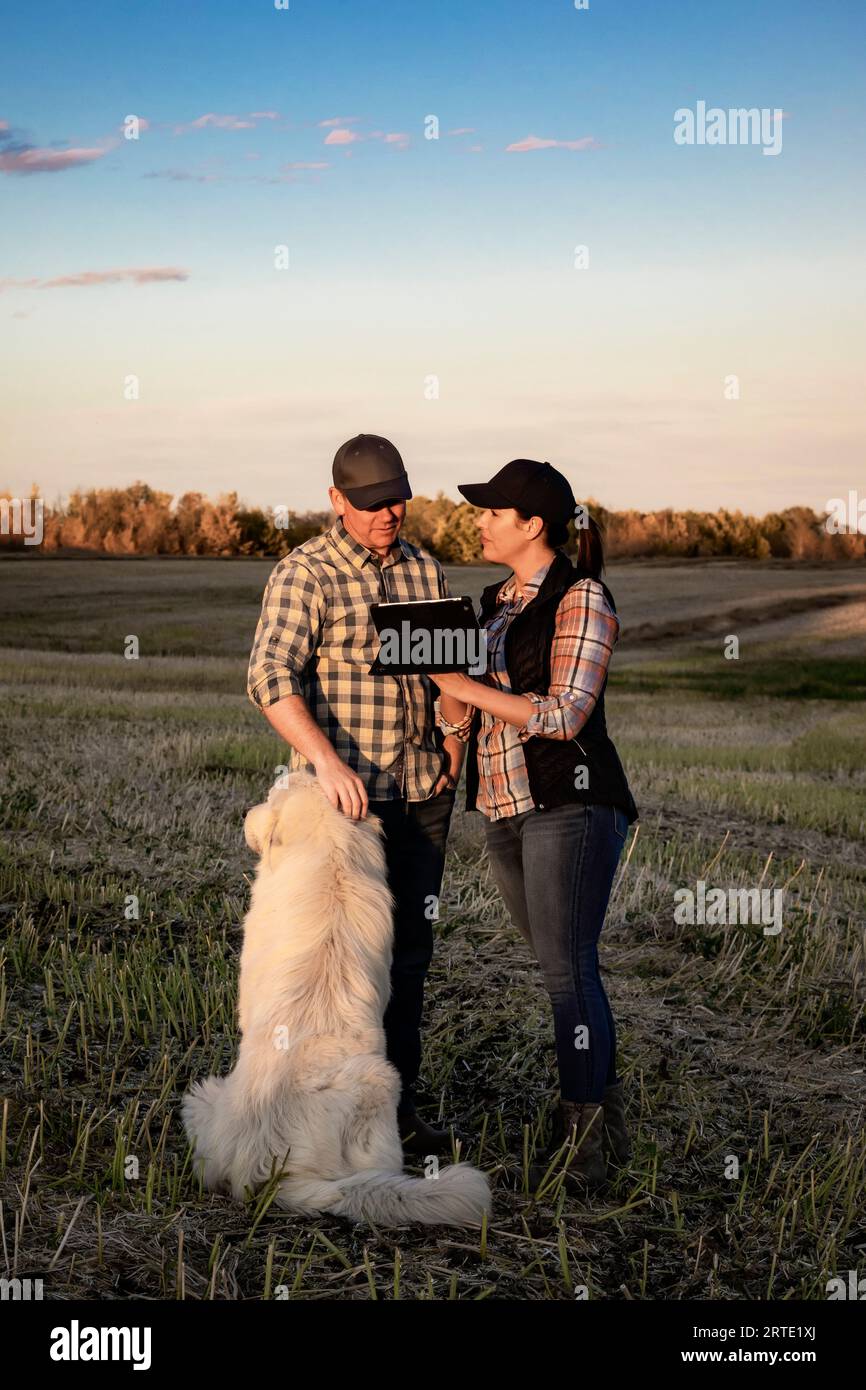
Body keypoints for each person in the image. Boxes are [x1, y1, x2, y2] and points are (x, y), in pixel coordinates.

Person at [246, 434, 466, 1155]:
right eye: (370, 503)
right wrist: (325, 764)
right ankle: (297, 1112)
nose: (387, 514)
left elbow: (446, 678)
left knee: (407, 960)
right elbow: (270, 678)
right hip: (341, 815)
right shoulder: (305, 573)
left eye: (396, 499)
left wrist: (454, 742)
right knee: (332, 967)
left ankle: (391, 1121)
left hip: (420, 799)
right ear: (336, 500)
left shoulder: (425, 569)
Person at [432, 458, 638, 1192]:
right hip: (505, 809)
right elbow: (461, 713)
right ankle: (604, 1118)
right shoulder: (489, 603)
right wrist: (444, 690)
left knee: (566, 972)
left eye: (492, 512)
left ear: (533, 525)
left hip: (571, 805)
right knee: (563, 968)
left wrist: (467, 683)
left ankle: (585, 1144)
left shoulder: (583, 597)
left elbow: (563, 713)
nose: (479, 521)